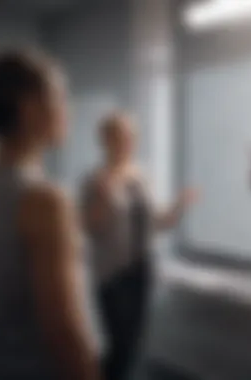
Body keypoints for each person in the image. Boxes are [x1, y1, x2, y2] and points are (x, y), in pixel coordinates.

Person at [0, 49, 103, 380]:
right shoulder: (44, 200)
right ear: (28, 109)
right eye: (60, 97)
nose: (69, 108)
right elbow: (63, 332)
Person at [81, 112, 198, 380]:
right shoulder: (94, 179)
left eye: (131, 136)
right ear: (105, 140)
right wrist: (102, 197)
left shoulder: (141, 177)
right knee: (119, 346)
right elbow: (88, 226)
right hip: (111, 273)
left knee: (132, 345)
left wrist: (180, 205)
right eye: (121, 136)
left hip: (142, 270)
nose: (128, 141)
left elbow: (157, 223)